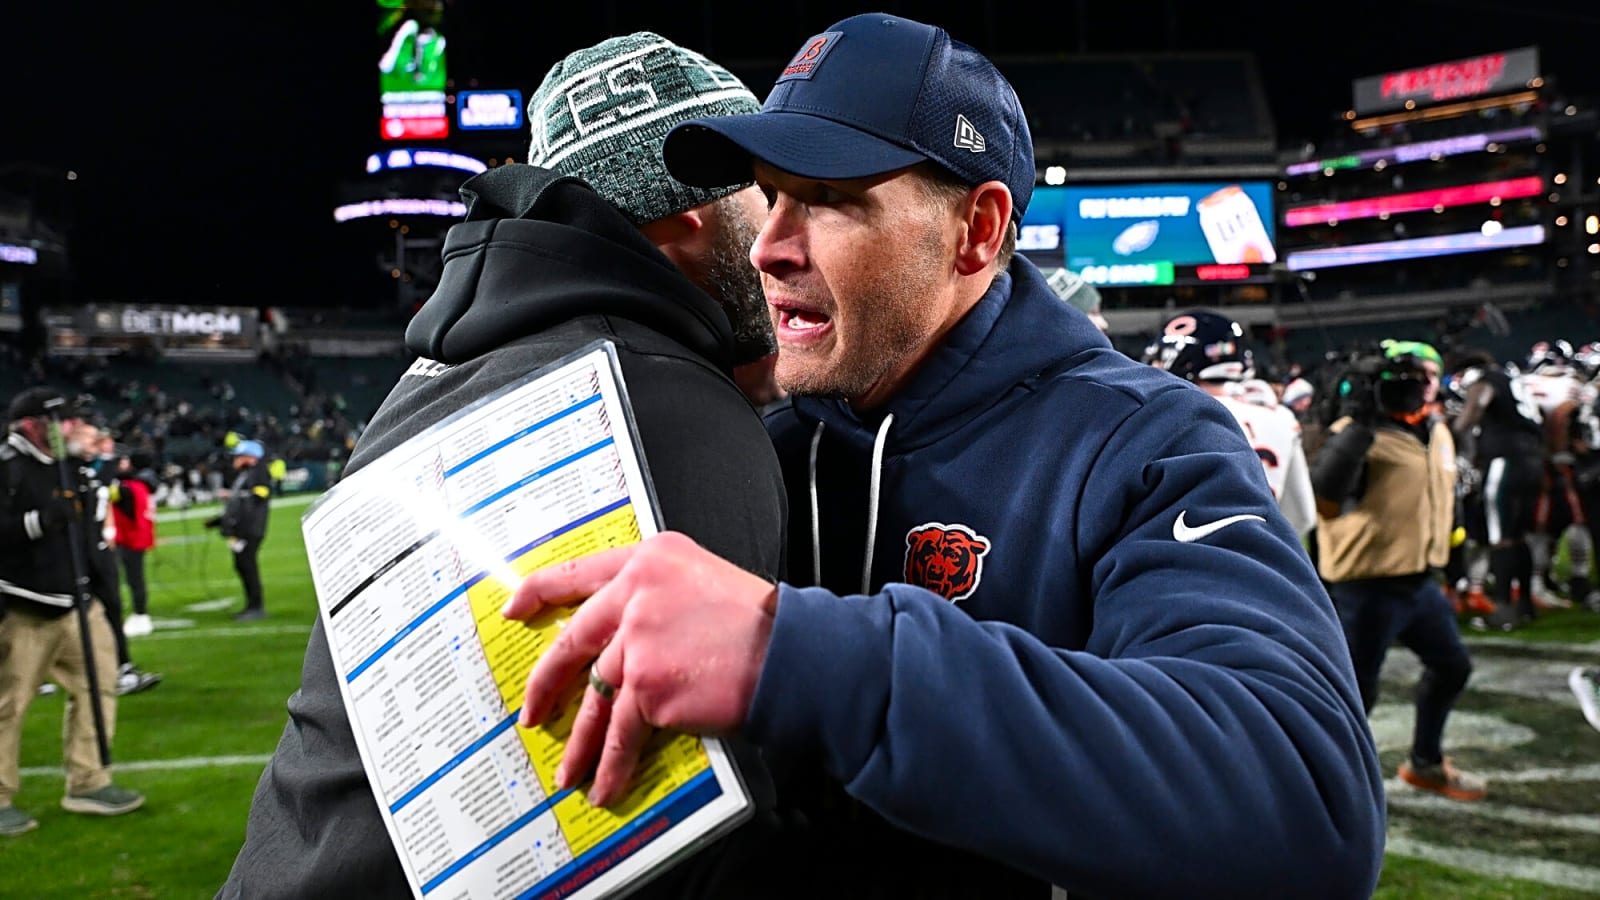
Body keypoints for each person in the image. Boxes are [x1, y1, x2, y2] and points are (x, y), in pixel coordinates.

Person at [504, 14, 1384, 898]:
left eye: (828, 198)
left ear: (976, 229)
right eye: (771, 195)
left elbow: (1310, 803)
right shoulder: (768, 442)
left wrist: (796, 654)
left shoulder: (1143, 443)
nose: (769, 246)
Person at [218, 33, 786, 898]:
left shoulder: (425, 383)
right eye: (764, 194)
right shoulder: (666, 402)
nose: (780, 232)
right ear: (688, 215)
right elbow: (688, 844)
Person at [1312, 339, 1484, 801]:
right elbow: (1325, 500)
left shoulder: (1437, 429)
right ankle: (1324, 790)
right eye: (1412, 378)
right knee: (1353, 696)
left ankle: (1425, 762)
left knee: (1452, 667)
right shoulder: (1354, 431)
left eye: (1429, 376)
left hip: (1419, 582)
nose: (1423, 386)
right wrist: (1360, 426)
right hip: (1363, 588)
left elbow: (1447, 505)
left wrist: (1456, 569)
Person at [0, 388, 145, 836]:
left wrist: (102, 592)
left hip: (79, 604)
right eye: (65, 420)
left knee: (98, 687)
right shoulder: (8, 466)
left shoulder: (71, 468)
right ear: (33, 426)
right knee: (8, 705)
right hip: (23, 606)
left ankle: (88, 780)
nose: (75, 428)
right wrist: (40, 520)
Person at [1143, 309, 1317, 538]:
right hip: (1265, 553)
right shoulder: (1281, 417)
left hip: (1190, 552)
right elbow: (1303, 516)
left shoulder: (1177, 418)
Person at [1452, 348, 1546, 630]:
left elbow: (1475, 407)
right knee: (1519, 535)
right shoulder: (1514, 381)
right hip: (1532, 459)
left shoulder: (1486, 379)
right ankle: (1526, 604)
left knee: (1500, 537)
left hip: (1505, 460)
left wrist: (1453, 431)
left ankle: (1504, 610)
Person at [205, 440, 272, 622]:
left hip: (249, 530)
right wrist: (219, 521)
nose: (235, 459)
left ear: (250, 457)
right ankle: (252, 606)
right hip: (244, 529)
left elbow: (254, 501)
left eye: (239, 456)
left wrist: (236, 525)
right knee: (243, 566)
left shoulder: (257, 473)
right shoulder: (246, 475)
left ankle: (256, 607)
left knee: (247, 566)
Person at [111, 452, 158, 638]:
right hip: (139, 536)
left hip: (130, 537)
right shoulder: (141, 485)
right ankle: (140, 614)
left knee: (134, 579)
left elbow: (109, 494)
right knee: (135, 578)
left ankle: (141, 615)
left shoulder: (127, 488)